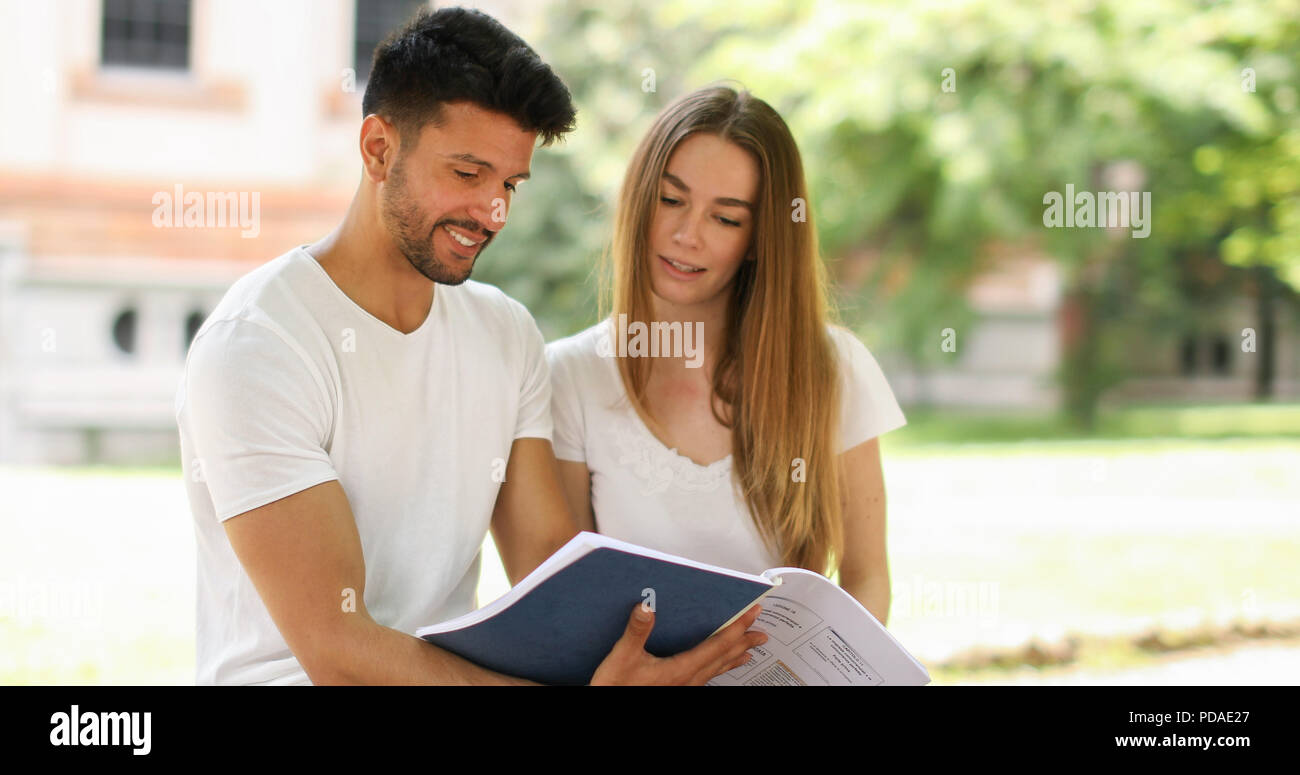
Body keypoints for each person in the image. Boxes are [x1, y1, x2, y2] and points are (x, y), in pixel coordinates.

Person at [175, 8, 764, 685]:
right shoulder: (257, 346)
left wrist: (671, 653)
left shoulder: (505, 334)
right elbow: (337, 649)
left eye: (509, 183)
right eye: (468, 173)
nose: (493, 212)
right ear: (377, 149)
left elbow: (548, 564)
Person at [547, 85, 906, 626]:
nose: (686, 235)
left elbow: (867, 578)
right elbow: (568, 600)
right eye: (671, 200)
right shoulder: (570, 377)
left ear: (760, 237)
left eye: (726, 218)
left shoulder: (836, 369)